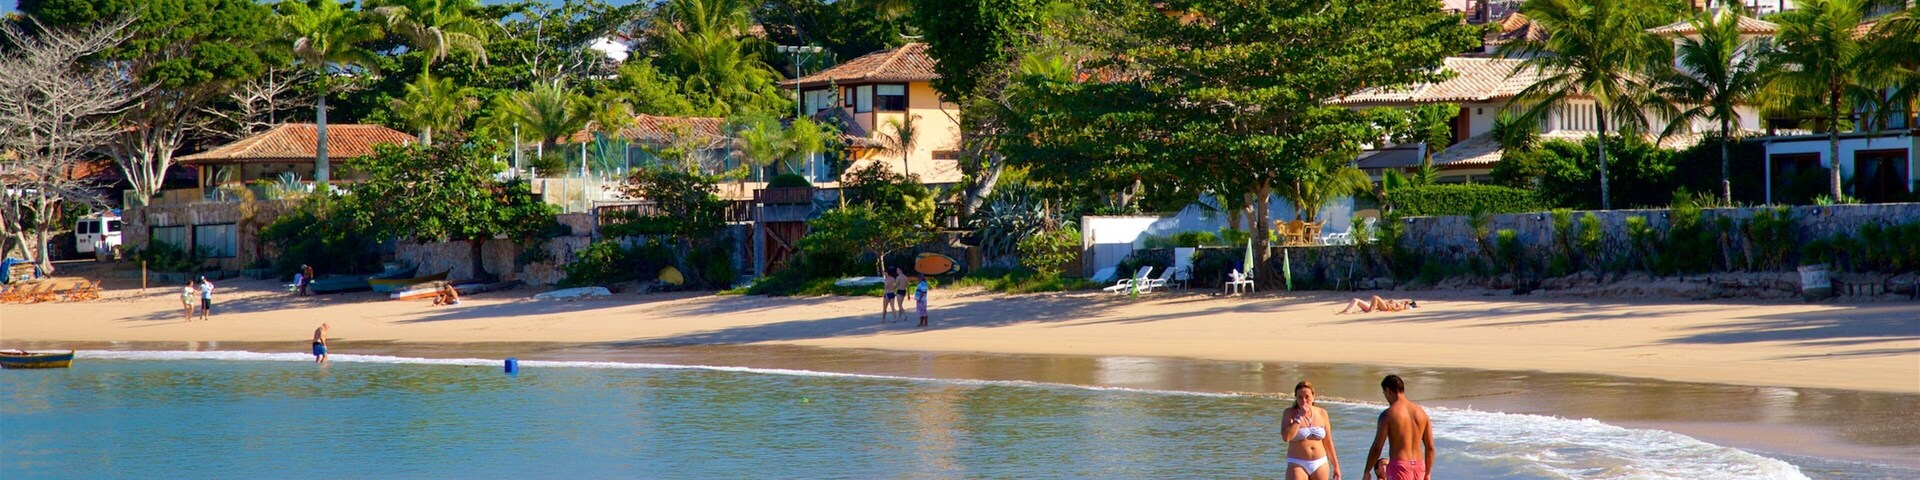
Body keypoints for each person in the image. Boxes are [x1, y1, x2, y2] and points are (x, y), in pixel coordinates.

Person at [1364, 374, 1434, 480]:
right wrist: (1427, 473)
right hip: (1419, 466)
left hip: (1400, 467)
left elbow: (1377, 448)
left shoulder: (1388, 415)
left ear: (1388, 391)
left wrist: (1367, 471)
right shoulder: (1421, 413)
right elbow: (1430, 448)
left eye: (1384, 393)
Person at [1283, 380, 1342, 480]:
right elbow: (1286, 437)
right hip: (1297, 462)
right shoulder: (1289, 413)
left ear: (1313, 396)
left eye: (1307, 397)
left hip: (1320, 462)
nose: (1304, 400)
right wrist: (1300, 416)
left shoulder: (1322, 413)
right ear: (1296, 398)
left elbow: (1328, 442)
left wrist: (1336, 466)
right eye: (1300, 397)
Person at [1338, 295, 1418, 314]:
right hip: (1378, 307)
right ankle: (1347, 311)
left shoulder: (1403, 305)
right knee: (1356, 300)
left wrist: (1392, 307)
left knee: (1375, 297)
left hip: (1385, 308)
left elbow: (1396, 309)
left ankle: (1371, 311)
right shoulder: (1402, 303)